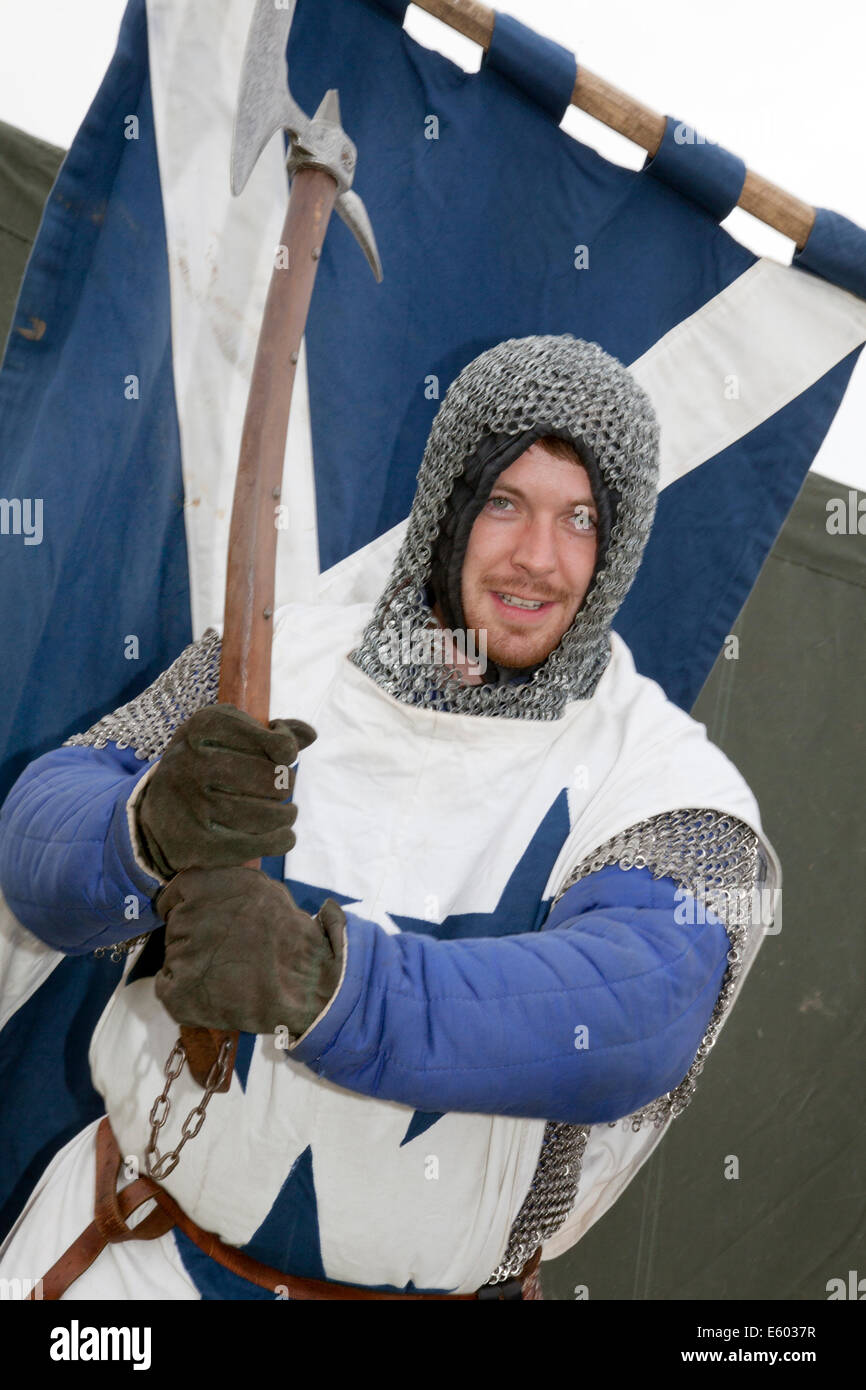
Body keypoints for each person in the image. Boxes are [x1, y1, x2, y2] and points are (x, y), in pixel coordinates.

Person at [0, 335, 779, 1300]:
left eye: (581, 518)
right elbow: (35, 846)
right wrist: (139, 831)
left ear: (619, 544)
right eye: (505, 503)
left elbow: (635, 1009)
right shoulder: (270, 665)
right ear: (449, 504)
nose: (539, 558)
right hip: (128, 1266)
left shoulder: (661, 780)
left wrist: (328, 984)